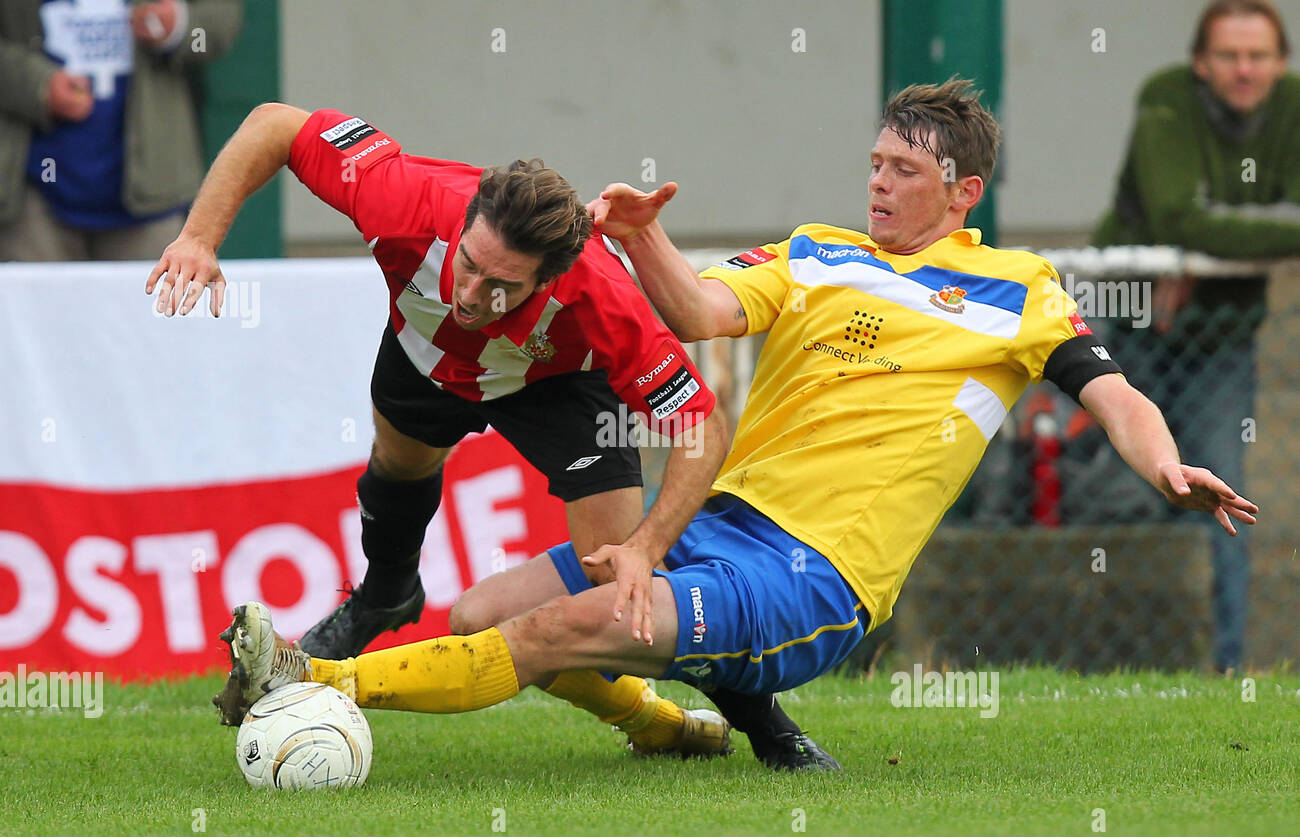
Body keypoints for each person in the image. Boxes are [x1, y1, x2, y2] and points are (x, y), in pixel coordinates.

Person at [213, 79, 1257, 765]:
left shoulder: (1016, 287)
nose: (877, 181)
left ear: (961, 189)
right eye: (875, 161)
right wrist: (646, 237)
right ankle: (678, 731)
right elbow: (701, 312)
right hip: (725, 523)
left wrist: (1168, 466)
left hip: (816, 572)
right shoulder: (816, 251)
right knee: (486, 609)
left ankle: (311, 679)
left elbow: (1113, 393)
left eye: (902, 171)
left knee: (563, 628)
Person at [150, 102, 838, 769]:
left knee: (616, 582)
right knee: (398, 461)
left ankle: (758, 723)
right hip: (423, 352)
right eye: (469, 262)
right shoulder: (401, 195)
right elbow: (275, 124)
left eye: (502, 284)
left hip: (557, 385)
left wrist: (647, 547)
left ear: (552, 278)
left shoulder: (604, 299)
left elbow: (701, 424)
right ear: (468, 216)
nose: (473, 293)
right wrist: (201, 237)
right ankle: (387, 592)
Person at [1094, 0, 1295, 671]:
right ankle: (1100, 666)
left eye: (1258, 55)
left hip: (1219, 336)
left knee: (1221, 493)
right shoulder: (1166, 98)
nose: (1244, 69)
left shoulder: (1292, 109)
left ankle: (1225, 670)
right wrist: (1192, 239)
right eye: (1229, 56)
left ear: (1282, 62)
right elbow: (1179, 212)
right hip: (1124, 319)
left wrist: (1201, 248)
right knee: (1108, 487)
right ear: (1201, 63)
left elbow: (1195, 222)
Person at [0, 0, 243, 261]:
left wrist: (180, 25)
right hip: (28, 195)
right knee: (33, 302)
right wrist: (36, 84)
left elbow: (222, 18)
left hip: (153, 195)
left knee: (154, 300)